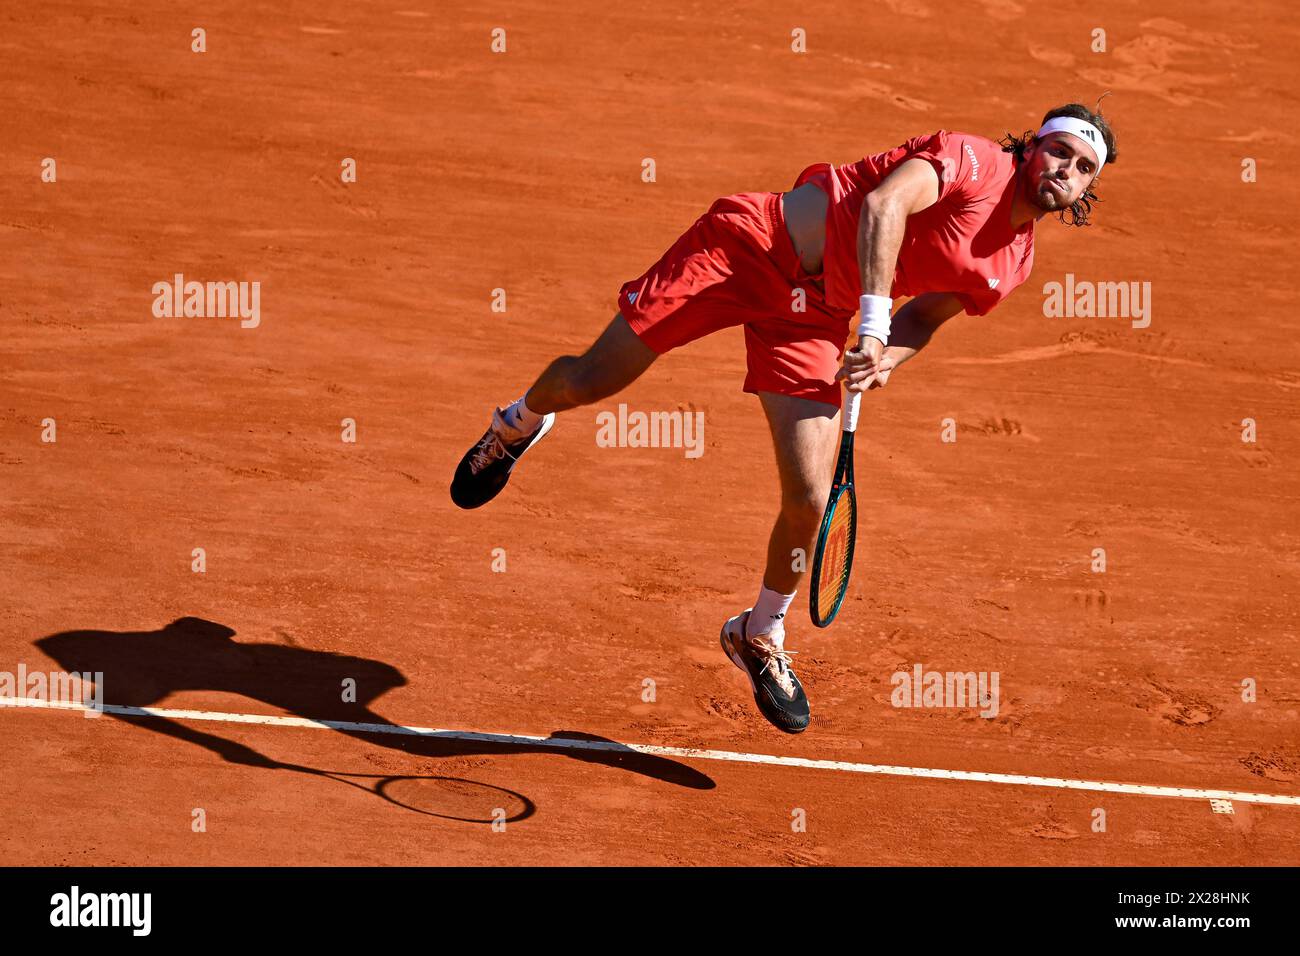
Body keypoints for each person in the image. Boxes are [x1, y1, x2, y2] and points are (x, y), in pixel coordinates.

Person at [451, 102, 1119, 734]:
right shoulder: (973, 161)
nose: (1066, 170)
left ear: (1089, 186)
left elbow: (929, 315)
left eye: (1083, 167)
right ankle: (518, 423)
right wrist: (876, 322)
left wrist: (887, 358)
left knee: (809, 499)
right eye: (1058, 151)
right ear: (1032, 146)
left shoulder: (1014, 262)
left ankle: (760, 632)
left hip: (815, 320)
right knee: (592, 378)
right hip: (746, 248)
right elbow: (885, 206)